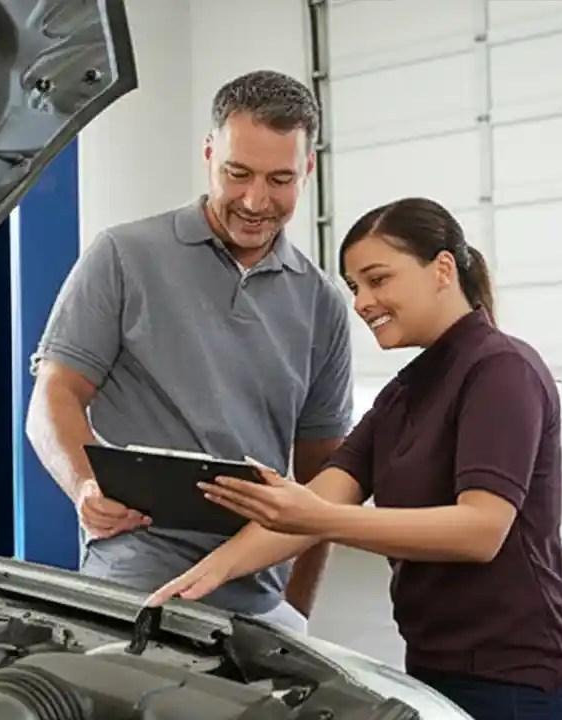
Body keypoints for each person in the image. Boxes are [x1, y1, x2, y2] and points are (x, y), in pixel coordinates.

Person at [145, 197, 562, 720]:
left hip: (520, 683)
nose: (361, 302)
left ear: (443, 269)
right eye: (354, 287)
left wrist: (321, 520)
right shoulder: (404, 393)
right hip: (435, 667)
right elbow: (316, 501)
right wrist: (200, 579)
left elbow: (481, 530)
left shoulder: (502, 370)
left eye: (377, 280)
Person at [25, 70, 354, 634]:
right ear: (209, 155)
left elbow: (325, 479)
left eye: (280, 179)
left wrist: (298, 612)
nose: (256, 200)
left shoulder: (322, 301)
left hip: (259, 599)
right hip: (135, 577)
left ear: (308, 171)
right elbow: (52, 398)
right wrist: (83, 484)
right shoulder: (123, 256)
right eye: (238, 173)